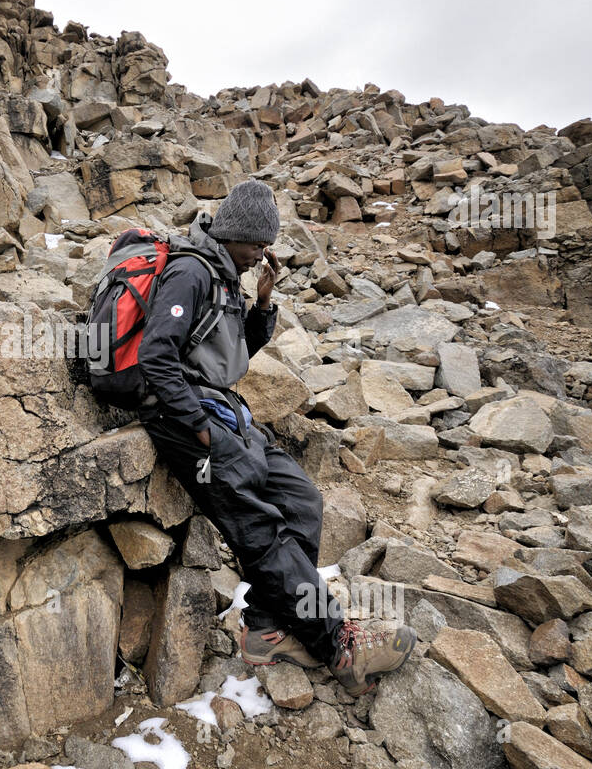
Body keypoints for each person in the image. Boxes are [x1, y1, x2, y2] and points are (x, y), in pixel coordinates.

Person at [136, 179, 416, 696]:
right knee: (259, 526)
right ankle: (339, 647)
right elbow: (156, 356)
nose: (261, 255)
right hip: (186, 417)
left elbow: (236, 351)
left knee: (301, 499)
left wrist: (263, 304)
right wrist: (197, 426)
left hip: (223, 409)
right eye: (257, 245)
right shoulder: (191, 270)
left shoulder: (225, 277)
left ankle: (266, 626)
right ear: (235, 233)